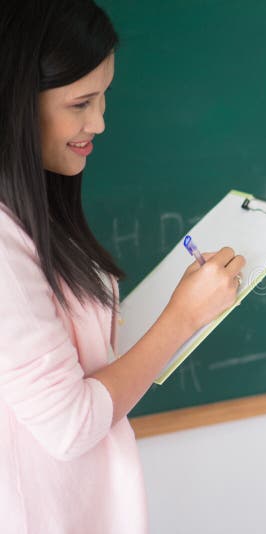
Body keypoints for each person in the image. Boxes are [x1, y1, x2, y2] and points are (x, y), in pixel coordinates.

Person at [0, 1, 244, 532]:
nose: (101, 122)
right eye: (81, 102)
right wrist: (182, 317)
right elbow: (69, 425)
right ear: (16, 103)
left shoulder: (33, 211)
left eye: (104, 96)